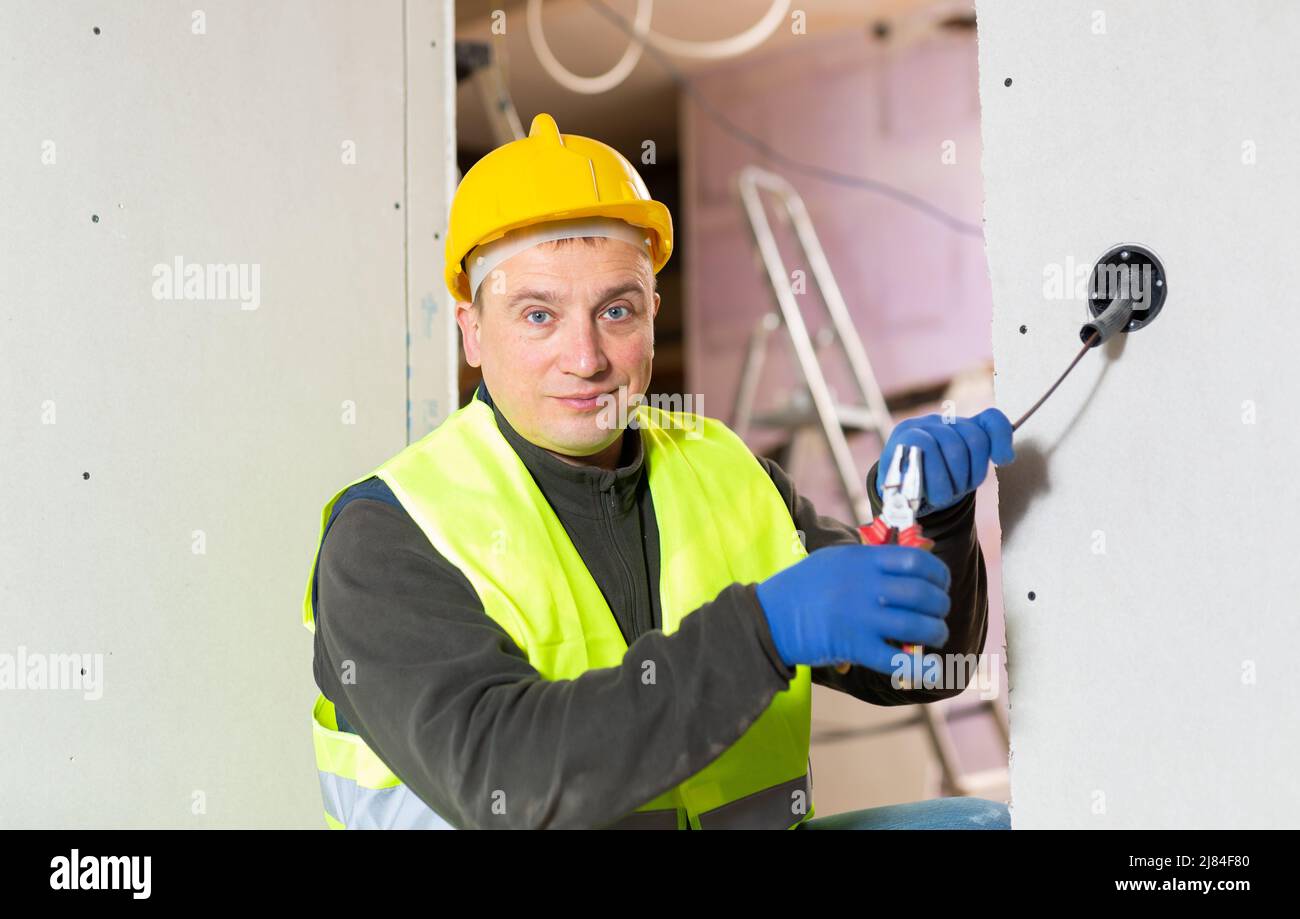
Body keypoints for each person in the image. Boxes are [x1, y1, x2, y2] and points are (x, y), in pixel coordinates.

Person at [301, 112, 1015, 830]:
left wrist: (938, 522)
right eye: (539, 315)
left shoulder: (723, 470)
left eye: (616, 309)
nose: (586, 357)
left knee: (981, 824)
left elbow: (922, 666)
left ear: (652, 314)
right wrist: (764, 632)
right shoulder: (390, 533)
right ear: (473, 330)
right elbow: (507, 781)